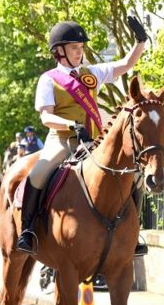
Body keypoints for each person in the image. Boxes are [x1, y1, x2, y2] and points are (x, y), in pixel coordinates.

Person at [16, 17, 148, 254]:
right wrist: (71, 124)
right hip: (63, 139)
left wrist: (140, 41)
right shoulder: (49, 79)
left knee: (135, 176)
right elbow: (46, 118)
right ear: (59, 51)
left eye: (81, 48)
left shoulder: (92, 73)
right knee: (37, 175)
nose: (80, 52)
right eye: (75, 48)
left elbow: (126, 64)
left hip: (95, 142)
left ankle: (134, 233)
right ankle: (28, 230)